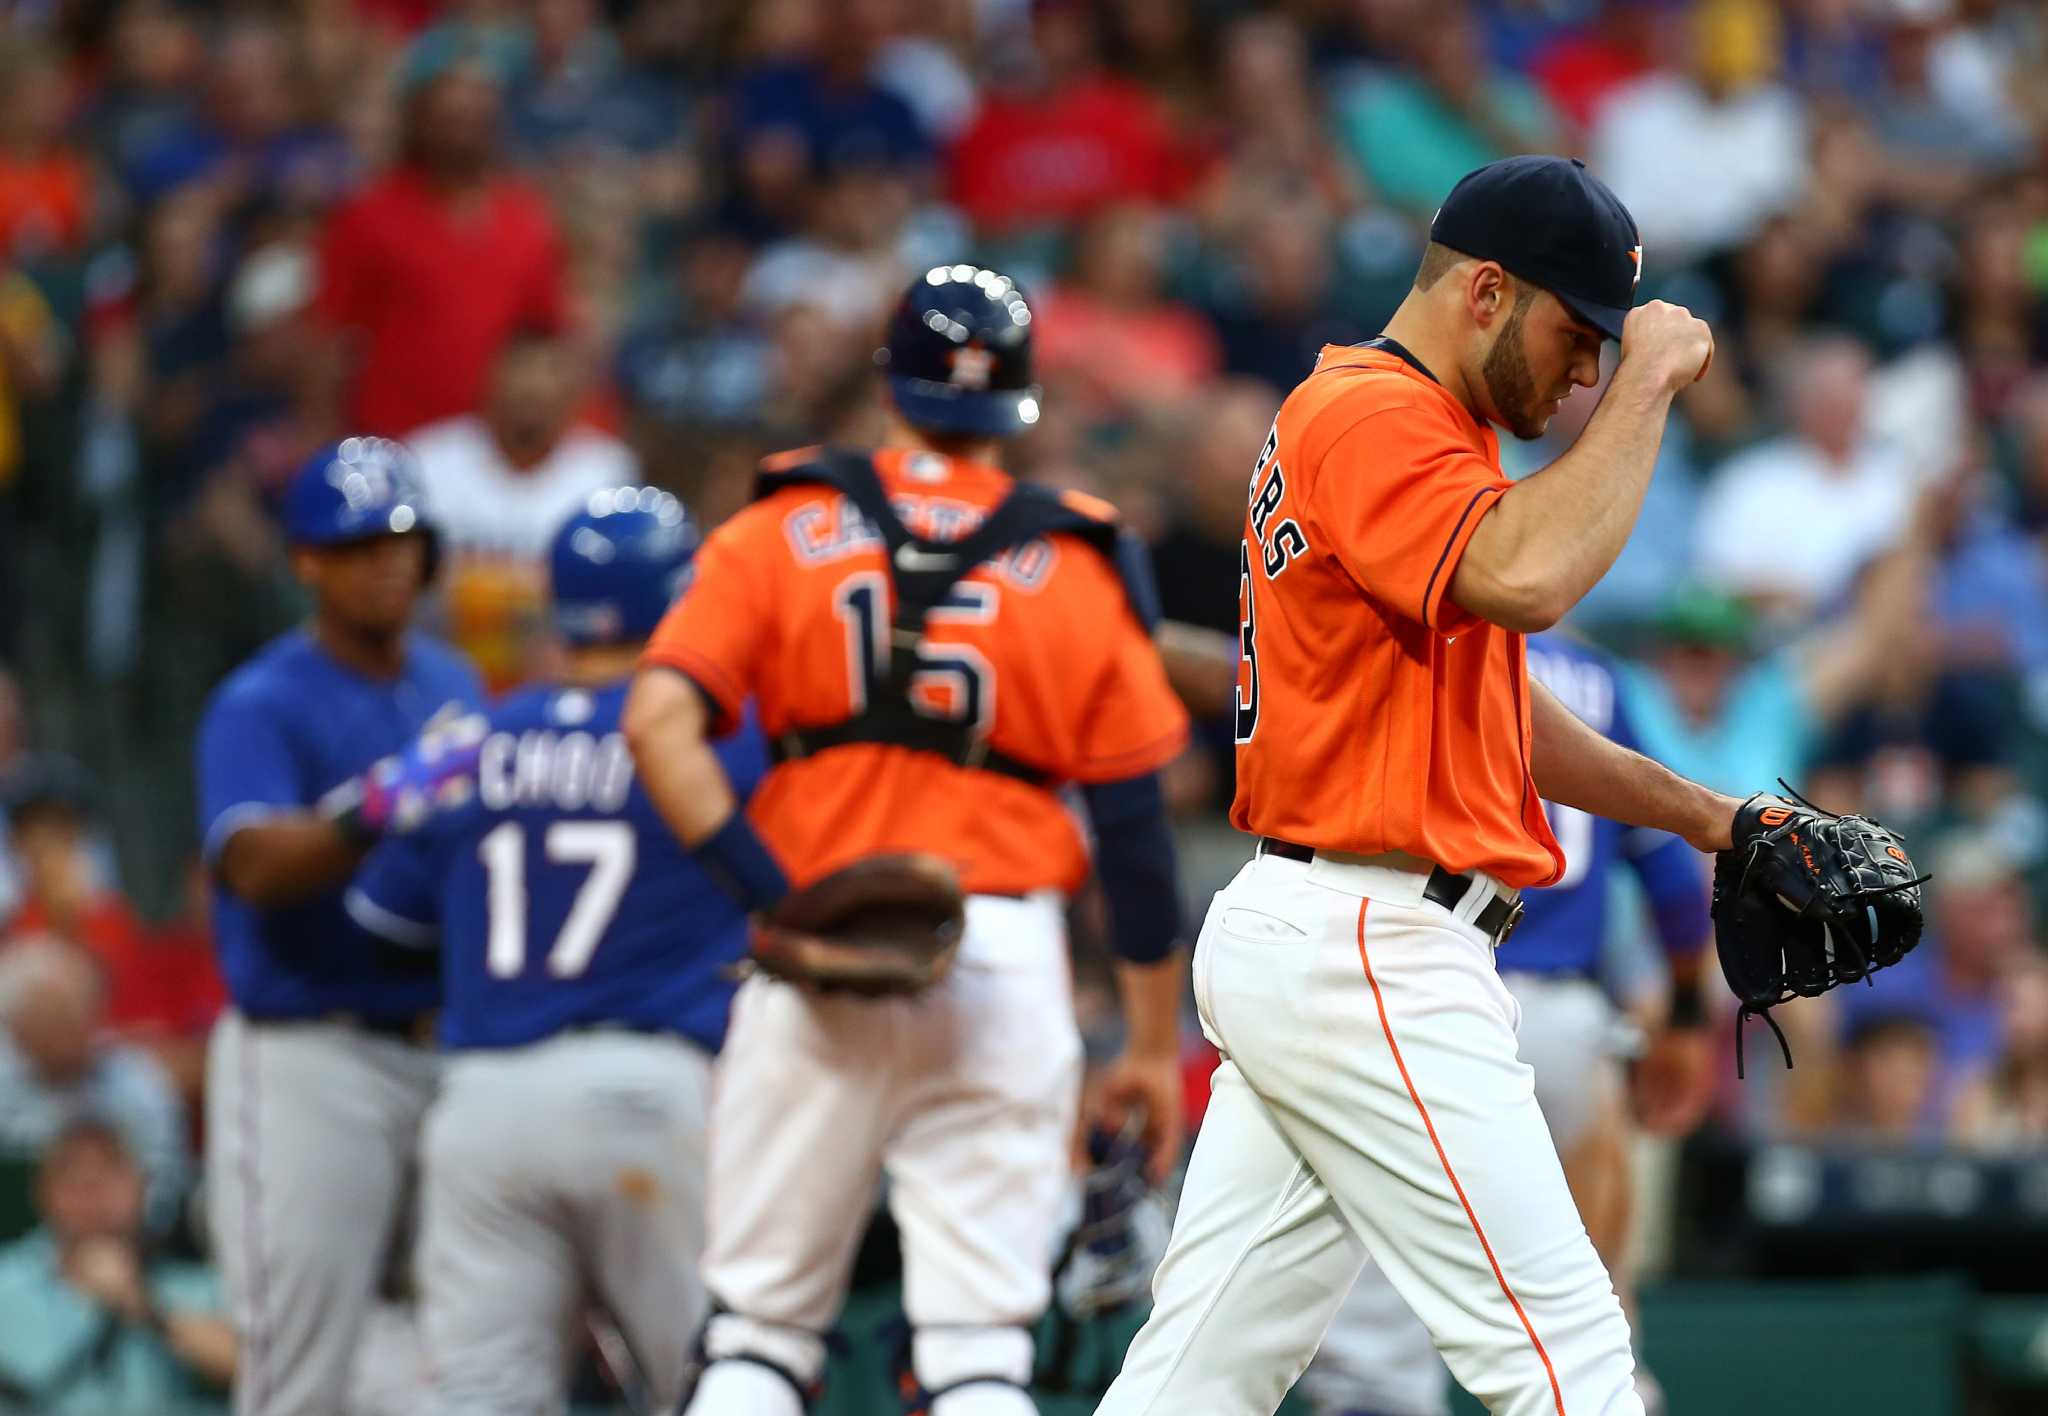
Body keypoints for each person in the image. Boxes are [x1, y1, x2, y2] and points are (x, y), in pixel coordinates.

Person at [1095, 155, 1725, 1416]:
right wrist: (1652, 383)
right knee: (1571, 1367)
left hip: (1332, 932)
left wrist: (1716, 819)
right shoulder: (1378, 415)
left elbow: (1505, 711)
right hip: (1367, 942)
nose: (1589, 370)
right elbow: (1532, 580)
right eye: (1576, 333)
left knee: (1192, 1386)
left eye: (1609, 349)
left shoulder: (1408, 429)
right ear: (1484, 291)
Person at [623, 264, 1192, 1416]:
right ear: (1017, 407)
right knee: (979, 1346)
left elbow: (656, 722)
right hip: (1001, 949)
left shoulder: (779, 525)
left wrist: (764, 892)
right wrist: (1140, 1042)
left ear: (890, 387)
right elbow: (1134, 833)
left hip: (819, 928)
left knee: (758, 1334)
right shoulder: (1080, 562)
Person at [344, 487, 766, 1414]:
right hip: (648, 1088)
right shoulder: (719, 742)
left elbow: (381, 919)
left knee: (479, 1399)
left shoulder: (467, 744)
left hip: (484, 1100)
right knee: (717, 1386)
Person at [1301, 631, 1716, 1416]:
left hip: (1421, 1001)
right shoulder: (1595, 674)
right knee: (1584, 1308)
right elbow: (1666, 866)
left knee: (1382, 1304)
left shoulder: (1403, 639)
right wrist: (1689, 1014)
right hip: (1565, 1023)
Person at [193, 438, 483, 1416]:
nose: (389, 561)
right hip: (311, 1057)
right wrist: (385, 799)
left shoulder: (451, 682)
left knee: (461, 1365)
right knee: (297, 1375)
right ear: (307, 561)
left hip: (444, 1050)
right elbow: (256, 867)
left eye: (404, 538)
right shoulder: (260, 702)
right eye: (359, 544)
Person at [0, 1119, 234, 1414]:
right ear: (41, 1193)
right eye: (72, 1177)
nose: (91, 1192)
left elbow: (248, 1369)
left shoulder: (197, 1285)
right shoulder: (5, 1283)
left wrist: (143, 1306)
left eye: (110, 1173)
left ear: (144, 1185)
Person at [0, 940, 189, 1239]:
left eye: (81, 1010)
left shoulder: (138, 1083)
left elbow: (165, 1187)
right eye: (51, 1015)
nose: (70, 1028)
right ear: (15, 1027)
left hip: (119, 1248)